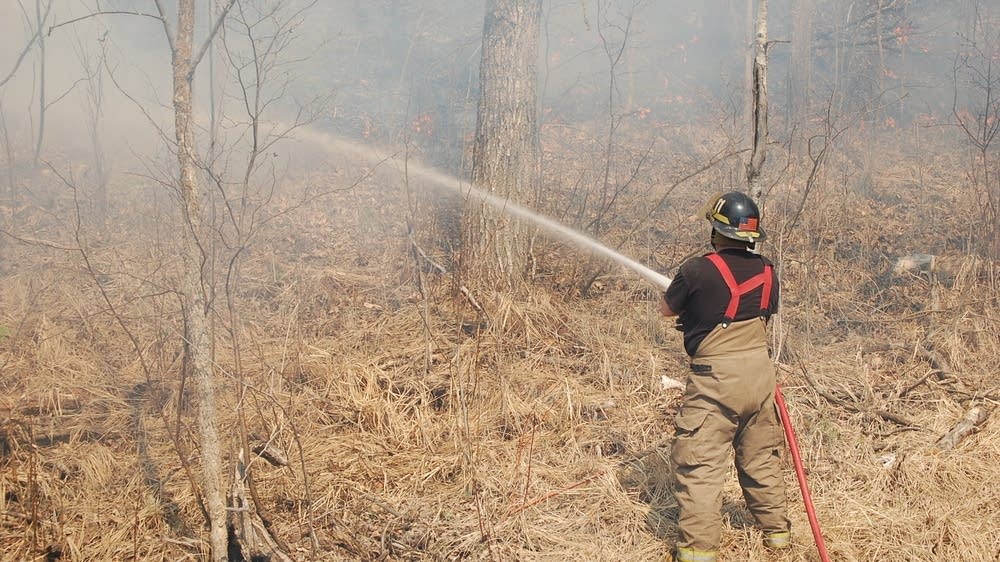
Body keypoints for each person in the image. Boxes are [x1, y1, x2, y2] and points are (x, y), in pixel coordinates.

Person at [658, 191, 791, 562]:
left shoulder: (696, 270)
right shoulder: (767, 270)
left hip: (716, 382)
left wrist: (693, 313)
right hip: (760, 377)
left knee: (700, 465)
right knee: (761, 457)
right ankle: (778, 535)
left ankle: (697, 552)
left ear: (717, 231)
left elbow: (667, 309)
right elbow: (756, 312)